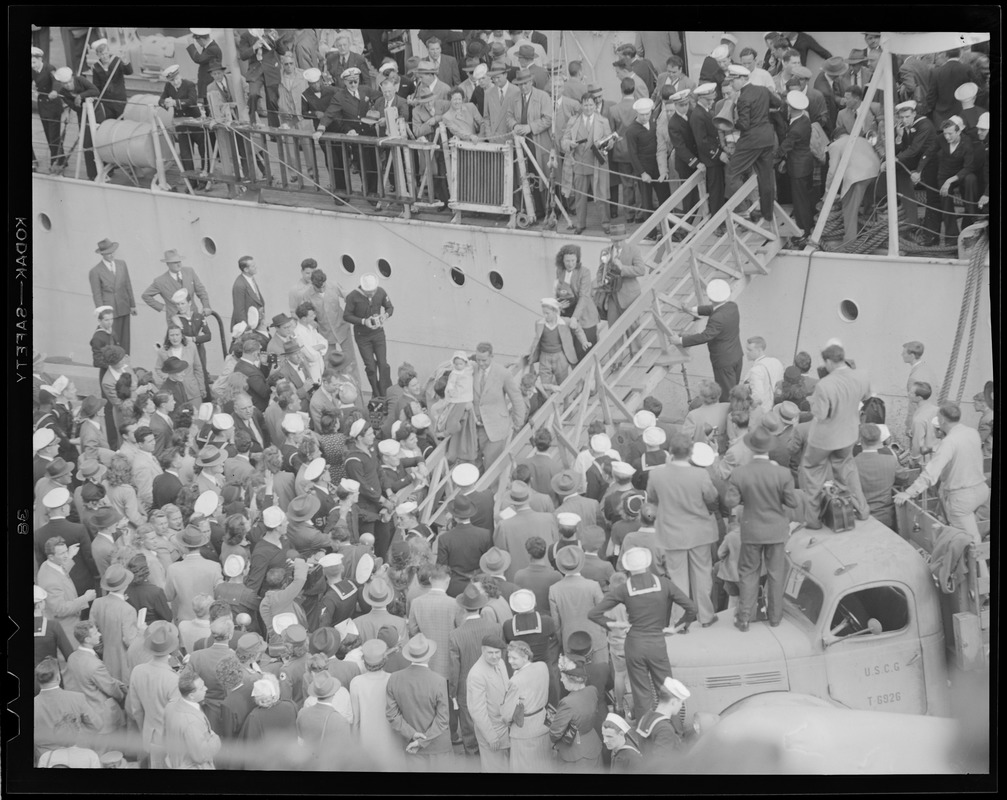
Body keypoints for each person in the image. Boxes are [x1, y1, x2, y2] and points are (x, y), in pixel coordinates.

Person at [588, 546, 695, 720]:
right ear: (648, 563)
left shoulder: (624, 589)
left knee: (641, 694)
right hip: (657, 643)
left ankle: (646, 734)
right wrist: (676, 628)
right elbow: (691, 608)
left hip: (635, 644)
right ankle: (674, 730)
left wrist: (614, 624)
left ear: (628, 567)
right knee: (668, 690)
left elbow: (594, 614)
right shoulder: (664, 584)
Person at [724, 427, 799, 631]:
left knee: (748, 573)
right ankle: (775, 617)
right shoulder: (783, 473)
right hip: (776, 530)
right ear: (769, 449)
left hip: (751, 530)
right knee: (776, 573)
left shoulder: (740, 473)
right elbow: (792, 503)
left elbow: (730, 501)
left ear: (751, 448)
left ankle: (745, 617)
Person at [645, 433, 720, 627]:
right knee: (702, 574)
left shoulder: (657, 474)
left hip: (671, 531)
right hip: (699, 530)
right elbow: (712, 498)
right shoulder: (700, 474)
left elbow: (652, 500)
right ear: (690, 453)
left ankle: (681, 619)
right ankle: (706, 616)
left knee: (678, 578)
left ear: (670, 451)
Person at [799, 344, 872, 527]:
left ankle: (813, 520)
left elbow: (820, 414)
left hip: (824, 438)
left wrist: (812, 403)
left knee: (813, 471)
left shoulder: (824, 385)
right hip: (849, 433)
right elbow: (865, 396)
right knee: (847, 469)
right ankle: (862, 510)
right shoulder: (862, 376)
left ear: (829, 361)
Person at [896, 402, 989, 545]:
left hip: (962, 498)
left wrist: (909, 492)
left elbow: (930, 474)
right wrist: (934, 449)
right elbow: (960, 449)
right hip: (982, 491)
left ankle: (973, 565)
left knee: (969, 542)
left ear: (943, 421)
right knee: (973, 533)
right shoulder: (972, 433)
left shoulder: (949, 442)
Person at [723, 65, 782, 224]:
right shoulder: (763, 90)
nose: (732, 84)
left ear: (742, 79)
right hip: (767, 138)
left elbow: (744, 123)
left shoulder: (743, 98)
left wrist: (732, 122)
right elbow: (778, 103)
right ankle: (768, 213)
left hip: (751, 140)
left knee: (732, 172)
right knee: (765, 176)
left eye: (734, 80)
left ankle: (741, 210)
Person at [385, 634, 453, 770]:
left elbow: (392, 716)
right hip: (438, 746)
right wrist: (424, 740)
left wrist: (413, 735)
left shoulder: (394, 678)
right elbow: (443, 719)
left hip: (410, 744)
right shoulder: (438, 681)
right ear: (429, 656)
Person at [669, 279, 742, 402]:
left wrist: (680, 340)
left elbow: (705, 336)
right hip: (736, 356)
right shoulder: (732, 306)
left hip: (723, 361)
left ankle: (730, 419)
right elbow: (712, 309)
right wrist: (691, 309)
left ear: (710, 297)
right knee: (734, 391)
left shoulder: (717, 318)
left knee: (727, 397)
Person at [126, 621, 182, 768]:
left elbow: (136, 710)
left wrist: (144, 729)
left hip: (149, 733)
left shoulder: (138, 671)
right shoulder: (173, 679)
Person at [561, 92, 614, 234]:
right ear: (581, 105)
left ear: (595, 105)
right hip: (579, 164)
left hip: (598, 164)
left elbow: (610, 141)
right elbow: (563, 141)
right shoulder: (573, 121)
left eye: (591, 104)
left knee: (601, 195)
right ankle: (580, 224)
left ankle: (605, 223)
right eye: (585, 104)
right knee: (580, 197)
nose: (588, 107)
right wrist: (569, 144)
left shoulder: (603, 121)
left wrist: (608, 145)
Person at [64, 621, 127, 739]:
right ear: (87, 639)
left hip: (84, 715)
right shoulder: (94, 664)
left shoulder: (72, 657)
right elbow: (111, 688)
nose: (99, 634)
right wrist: (122, 695)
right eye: (95, 633)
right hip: (103, 717)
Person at [471, 342, 527, 469]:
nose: (481, 363)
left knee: (492, 464)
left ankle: (492, 488)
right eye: (478, 360)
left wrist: (518, 422)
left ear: (492, 356)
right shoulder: (472, 369)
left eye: (484, 360)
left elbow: (516, 398)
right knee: (474, 462)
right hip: (475, 426)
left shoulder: (503, 373)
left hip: (496, 426)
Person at [33, 657, 99, 761]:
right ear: (58, 677)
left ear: (38, 681)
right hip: (78, 754)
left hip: (47, 758)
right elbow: (96, 724)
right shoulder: (77, 698)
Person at [500, 639, 551, 772]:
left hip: (523, 733)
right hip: (544, 724)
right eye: (509, 657)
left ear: (526, 657)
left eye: (514, 658)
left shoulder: (515, 681)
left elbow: (506, 715)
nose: (510, 661)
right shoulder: (542, 666)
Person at [90, 563, 146, 683]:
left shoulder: (97, 603)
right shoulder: (127, 609)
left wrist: (102, 649)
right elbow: (129, 641)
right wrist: (141, 632)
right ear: (126, 584)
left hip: (106, 658)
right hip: (124, 662)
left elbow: (92, 631)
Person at [342, 274, 393, 399]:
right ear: (363, 288)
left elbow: (390, 307)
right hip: (362, 336)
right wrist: (364, 321)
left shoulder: (380, 292)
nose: (371, 294)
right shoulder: (353, 297)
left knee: (383, 364)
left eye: (373, 291)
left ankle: (384, 391)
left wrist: (385, 315)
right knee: (370, 366)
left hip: (378, 334)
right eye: (368, 292)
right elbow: (346, 316)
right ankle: (375, 392)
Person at [466, 634, 512, 772]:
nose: (494, 656)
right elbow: (477, 711)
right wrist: (491, 736)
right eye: (490, 652)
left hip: (506, 728)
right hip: (492, 732)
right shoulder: (476, 675)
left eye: (497, 652)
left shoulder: (501, 663)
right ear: (482, 651)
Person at [163, 668, 222, 768]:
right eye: (202, 687)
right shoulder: (192, 722)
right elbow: (200, 756)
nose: (206, 689)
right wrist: (215, 738)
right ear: (191, 695)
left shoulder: (171, 705)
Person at [549, 662, 602, 772]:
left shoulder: (567, 702)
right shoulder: (592, 690)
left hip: (575, 753)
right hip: (592, 743)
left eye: (563, 677)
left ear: (572, 679)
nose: (561, 680)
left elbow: (555, 733)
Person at [777, 90, 814, 243]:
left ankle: (803, 231)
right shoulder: (804, 120)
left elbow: (784, 147)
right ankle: (807, 226)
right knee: (804, 198)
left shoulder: (796, 129)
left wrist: (773, 156)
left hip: (798, 167)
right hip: (805, 164)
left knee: (800, 201)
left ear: (791, 109)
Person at [89, 238, 137, 355]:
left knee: (125, 340)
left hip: (124, 306)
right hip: (109, 311)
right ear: (102, 254)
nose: (110, 255)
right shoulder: (95, 271)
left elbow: (127, 284)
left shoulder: (122, 264)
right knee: (112, 340)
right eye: (107, 253)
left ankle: (125, 363)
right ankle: (114, 362)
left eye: (112, 252)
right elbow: (97, 294)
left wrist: (132, 305)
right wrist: (103, 314)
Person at [528, 298, 589, 389]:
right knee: (544, 385)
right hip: (544, 357)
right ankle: (546, 401)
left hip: (560, 357)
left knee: (563, 383)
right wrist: (530, 352)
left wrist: (584, 341)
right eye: (543, 313)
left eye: (547, 313)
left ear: (555, 311)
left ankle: (565, 402)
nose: (545, 316)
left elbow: (578, 330)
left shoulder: (565, 322)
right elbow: (536, 340)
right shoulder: (539, 323)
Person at [554, 245, 600, 359]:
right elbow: (559, 291)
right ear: (562, 260)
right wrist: (558, 304)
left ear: (577, 259)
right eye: (567, 261)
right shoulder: (560, 271)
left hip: (584, 315)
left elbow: (584, 296)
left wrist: (575, 317)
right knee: (569, 351)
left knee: (584, 351)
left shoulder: (585, 272)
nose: (570, 264)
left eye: (573, 260)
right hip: (567, 314)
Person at [53, 65, 99, 180]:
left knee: (99, 140)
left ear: (73, 78)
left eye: (69, 82)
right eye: (65, 84)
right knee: (86, 143)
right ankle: (92, 174)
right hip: (82, 115)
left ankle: (108, 170)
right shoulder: (62, 92)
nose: (68, 85)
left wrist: (80, 96)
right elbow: (75, 108)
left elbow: (95, 91)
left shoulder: (80, 80)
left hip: (97, 111)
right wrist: (78, 103)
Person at [853, 423, 898, 530]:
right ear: (879, 438)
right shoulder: (891, 459)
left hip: (860, 516)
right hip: (886, 515)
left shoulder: (852, 463)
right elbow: (905, 478)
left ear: (860, 440)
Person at [32, 47, 66, 173]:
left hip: (53, 106)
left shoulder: (49, 68)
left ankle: (55, 162)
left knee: (54, 136)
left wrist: (55, 91)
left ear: (40, 59)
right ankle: (61, 160)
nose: (32, 65)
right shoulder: (33, 70)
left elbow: (57, 82)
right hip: (42, 107)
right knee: (49, 135)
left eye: (34, 62)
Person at [743, 336, 786, 414]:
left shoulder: (755, 371)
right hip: (776, 409)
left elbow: (757, 397)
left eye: (749, 350)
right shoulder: (776, 362)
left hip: (762, 411)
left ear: (759, 350)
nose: (746, 352)